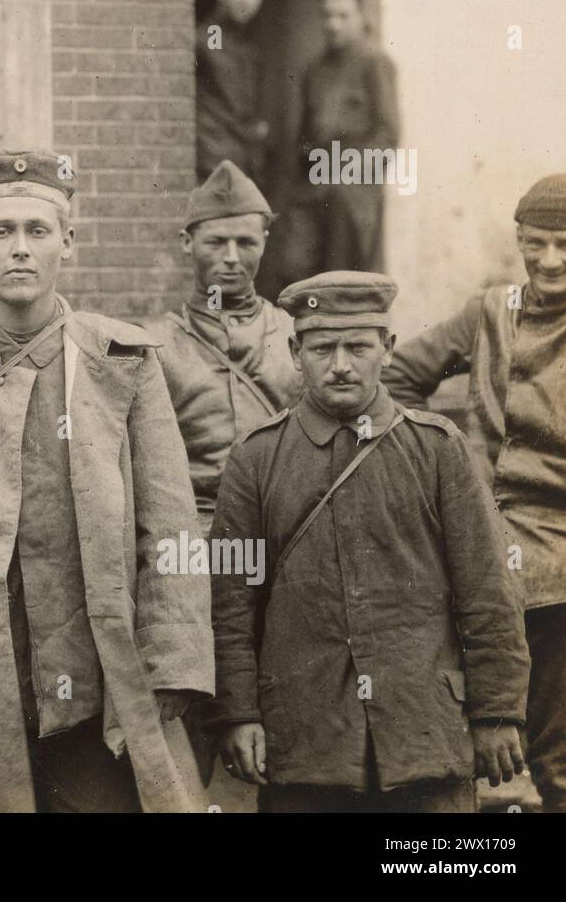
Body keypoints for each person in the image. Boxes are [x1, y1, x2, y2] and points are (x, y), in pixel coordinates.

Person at [0, 149, 212, 813]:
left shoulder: (123, 365)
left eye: (37, 230)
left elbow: (170, 528)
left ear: (68, 242)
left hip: (99, 677)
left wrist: (174, 658)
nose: (20, 249)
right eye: (2, 231)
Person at [210, 271, 529, 812]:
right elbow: (230, 604)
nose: (340, 364)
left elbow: (488, 590)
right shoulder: (256, 459)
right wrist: (237, 713)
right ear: (295, 351)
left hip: (424, 735)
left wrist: (497, 713)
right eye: (322, 348)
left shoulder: (437, 450)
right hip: (305, 745)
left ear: (388, 348)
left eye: (358, 346)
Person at [383, 172, 566, 812]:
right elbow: (401, 375)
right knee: (469, 741)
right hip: (482, 536)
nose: (550, 261)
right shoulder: (491, 310)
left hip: (559, 561)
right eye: (536, 244)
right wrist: (450, 460)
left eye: (565, 245)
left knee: (554, 750)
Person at [136, 159, 302, 786]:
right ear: (188, 245)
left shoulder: (298, 337)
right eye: (215, 242)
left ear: (265, 242)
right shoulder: (153, 345)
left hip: (285, 546)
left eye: (246, 242)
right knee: (195, 730)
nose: (231, 257)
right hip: (194, 550)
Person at [297, 0, 400, 274]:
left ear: (360, 17)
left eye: (343, 16)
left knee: (346, 279)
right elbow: (303, 136)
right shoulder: (314, 70)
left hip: (354, 194)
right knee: (299, 273)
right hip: (315, 188)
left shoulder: (374, 63)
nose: (333, 24)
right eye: (327, 15)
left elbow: (387, 134)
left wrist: (346, 178)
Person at [196, 0, 274, 182]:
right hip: (212, 167)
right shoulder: (204, 40)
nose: (248, 0)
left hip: (241, 166)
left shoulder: (249, 47)